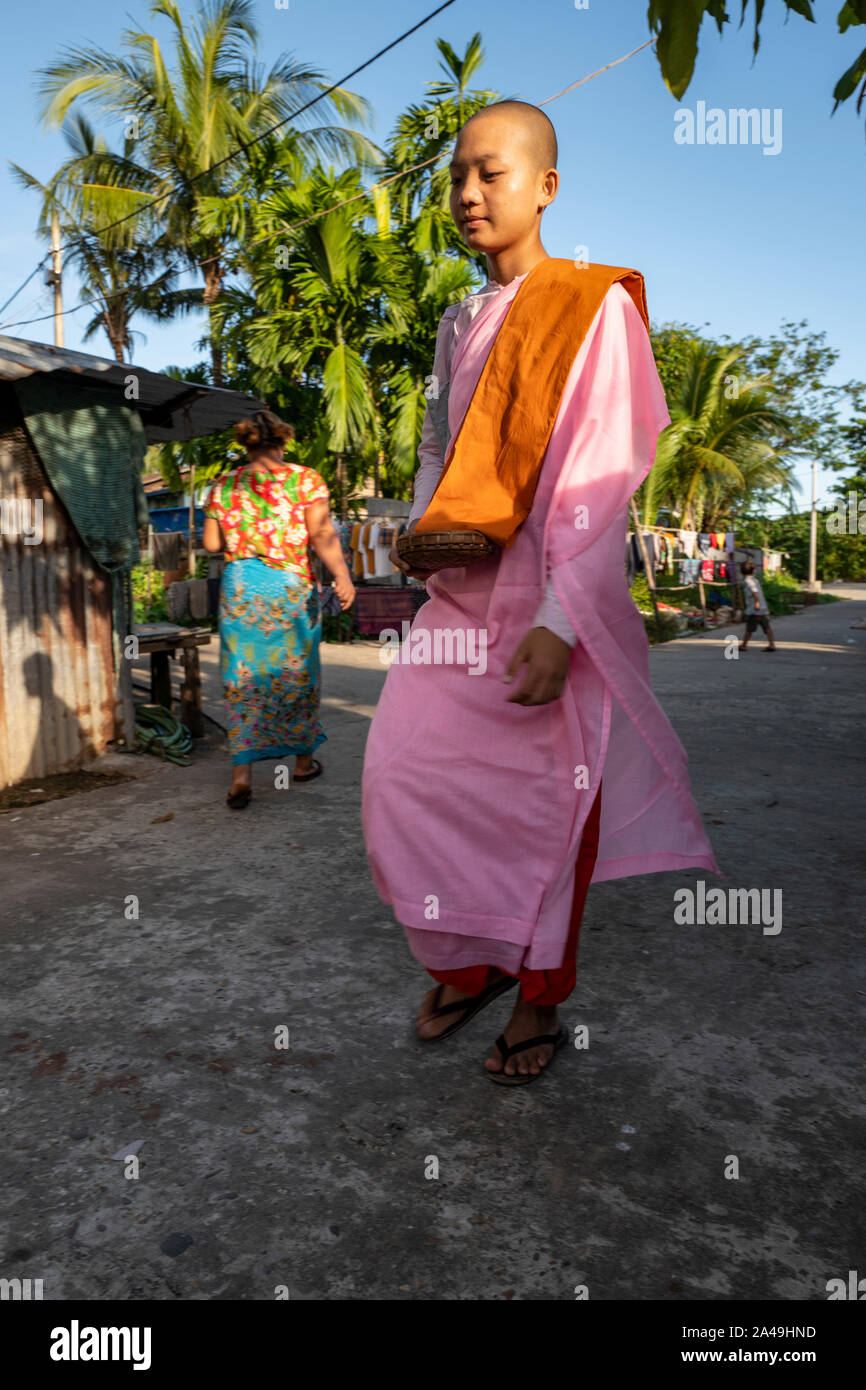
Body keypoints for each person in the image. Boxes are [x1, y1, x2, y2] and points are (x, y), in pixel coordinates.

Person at [362, 100, 719, 1085]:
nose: (469, 193)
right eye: (456, 177)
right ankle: (468, 962)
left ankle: (536, 999)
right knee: (401, 778)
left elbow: (604, 473)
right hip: (462, 589)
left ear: (544, 188)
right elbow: (441, 449)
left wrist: (564, 624)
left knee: (547, 812)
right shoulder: (457, 319)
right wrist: (421, 532)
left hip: (554, 589)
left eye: (493, 173)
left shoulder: (587, 304)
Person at [203, 410, 355, 808]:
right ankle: (301, 764)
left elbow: (211, 545)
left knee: (243, 676)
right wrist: (342, 575)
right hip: (288, 589)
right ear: (282, 442)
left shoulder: (222, 485)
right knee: (297, 673)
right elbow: (321, 532)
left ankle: (241, 776)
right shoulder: (305, 479)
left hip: (240, 591)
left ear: (245, 444)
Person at [739, 559, 776, 651]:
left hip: (755, 609)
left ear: (741, 571)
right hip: (761, 609)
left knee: (749, 628)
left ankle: (744, 645)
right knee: (766, 627)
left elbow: (755, 592)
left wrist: (757, 603)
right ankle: (772, 645)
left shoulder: (749, 581)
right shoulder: (754, 580)